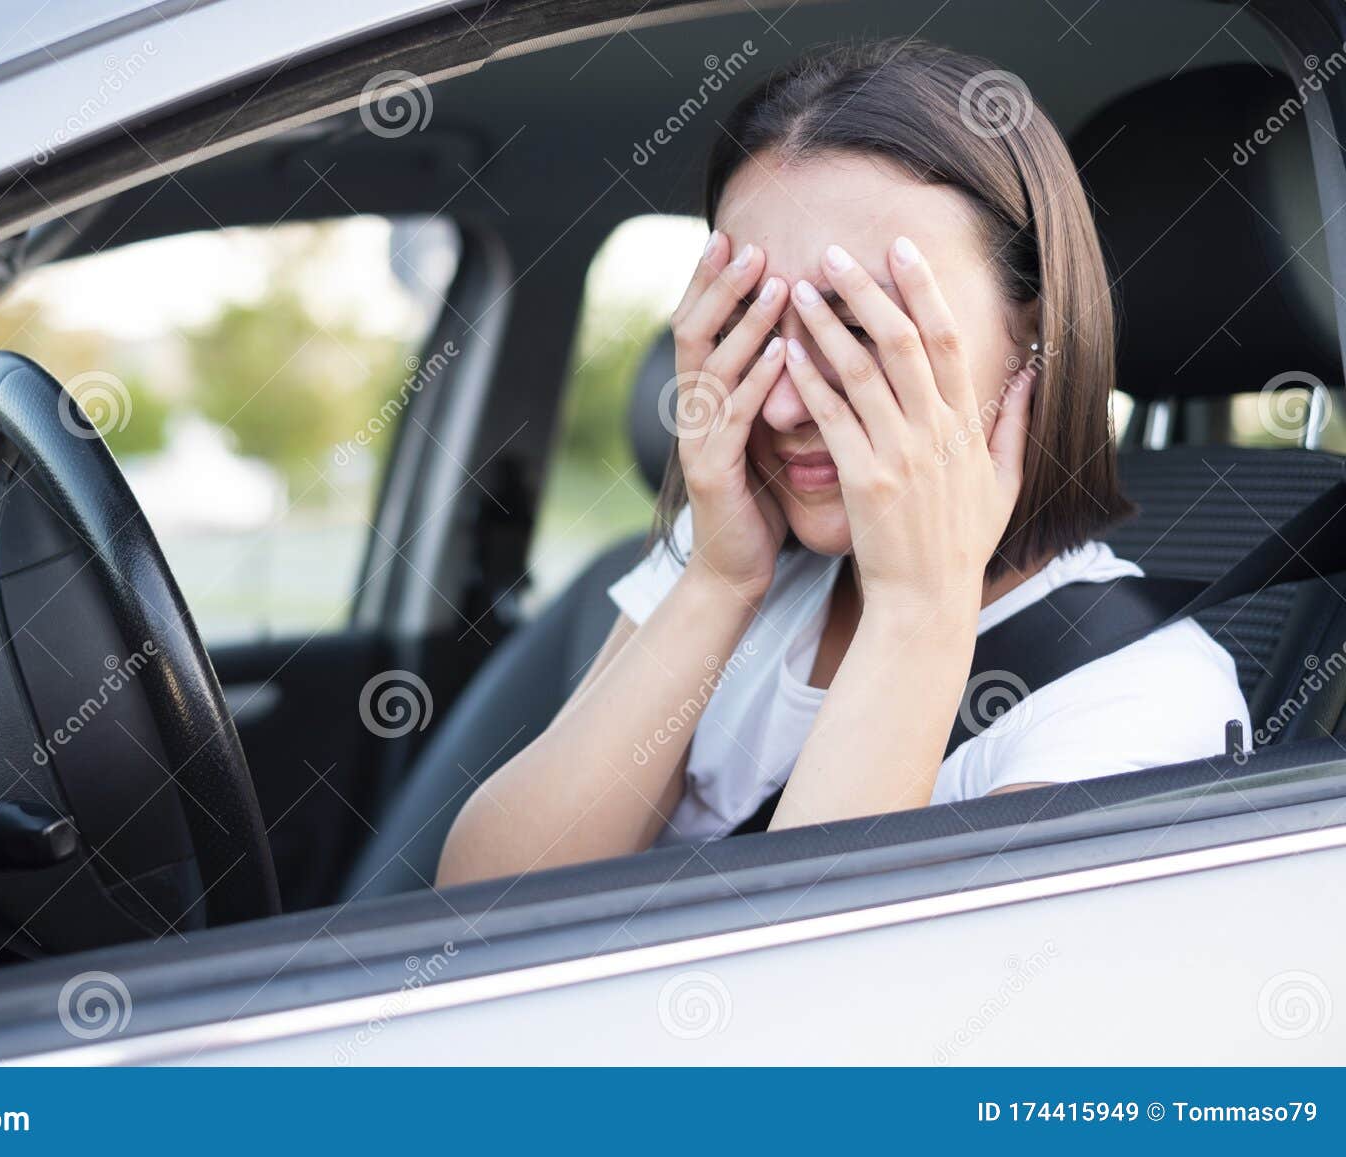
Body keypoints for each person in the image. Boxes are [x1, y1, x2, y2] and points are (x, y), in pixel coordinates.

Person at [437, 39, 1248, 888]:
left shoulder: (1142, 702)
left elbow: (796, 996)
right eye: (749, 325)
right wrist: (717, 581)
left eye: (859, 331)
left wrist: (919, 606)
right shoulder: (734, 556)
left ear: (1032, 336)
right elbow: (476, 907)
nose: (784, 406)